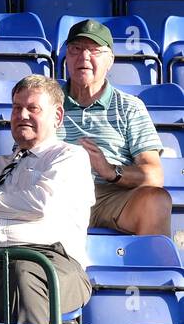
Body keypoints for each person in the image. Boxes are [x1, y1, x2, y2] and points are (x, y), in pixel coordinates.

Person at [0, 75, 94, 324]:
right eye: (17, 108)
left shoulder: (70, 157)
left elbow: (39, 204)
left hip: (50, 262)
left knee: (20, 271)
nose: (22, 115)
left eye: (33, 108)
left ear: (57, 117)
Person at [58, 19, 171, 237]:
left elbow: (154, 175)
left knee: (156, 201)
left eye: (94, 50)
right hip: (59, 195)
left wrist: (110, 171)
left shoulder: (130, 107)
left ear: (110, 60)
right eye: (76, 49)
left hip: (114, 197)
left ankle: (147, 272)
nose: (84, 57)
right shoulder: (47, 102)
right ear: (66, 56)